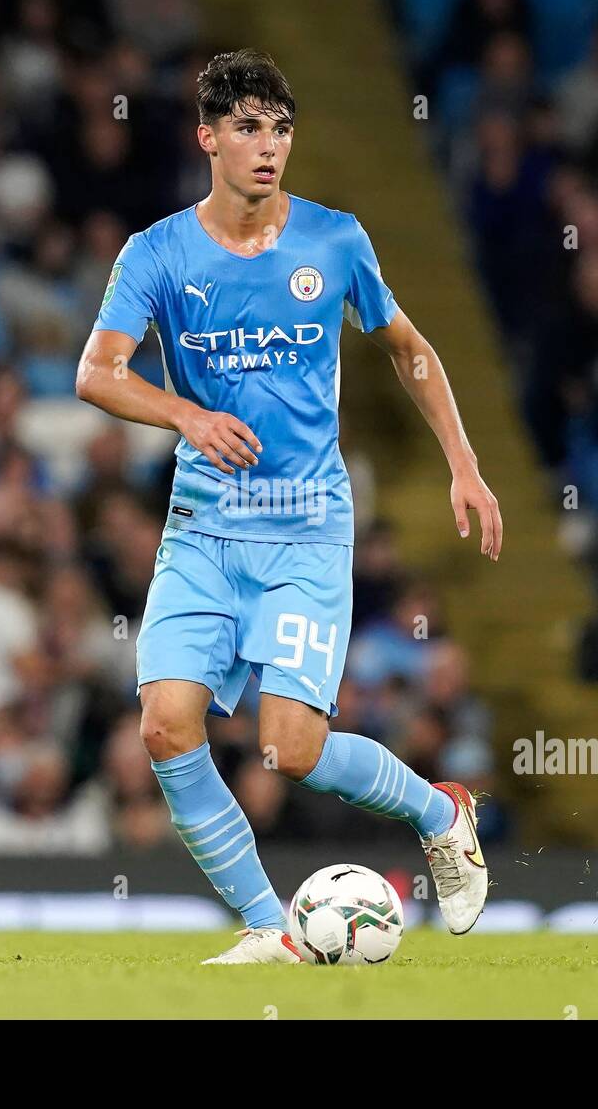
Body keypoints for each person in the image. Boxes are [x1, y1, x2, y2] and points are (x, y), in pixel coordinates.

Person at [76, 50, 502, 964]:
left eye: (279, 129)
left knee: (293, 748)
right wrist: (185, 412)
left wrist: (463, 463)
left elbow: (408, 347)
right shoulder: (156, 253)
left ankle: (442, 811)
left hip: (306, 526)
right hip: (202, 525)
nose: (268, 147)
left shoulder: (335, 240)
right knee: (163, 721)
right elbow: (96, 373)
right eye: (247, 128)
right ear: (209, 138)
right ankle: (270, 926)